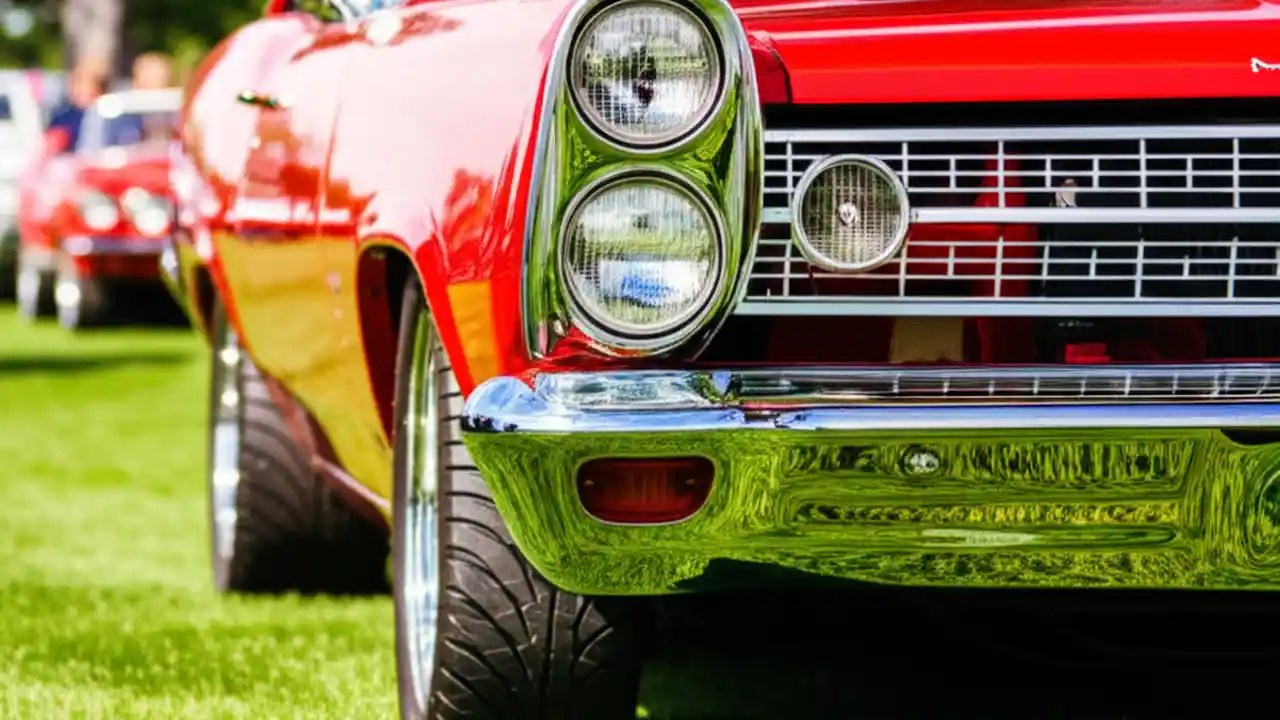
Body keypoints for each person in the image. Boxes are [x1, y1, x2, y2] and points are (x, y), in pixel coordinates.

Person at [45, 59, 109, 153]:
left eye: (83, 83)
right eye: (74, 83)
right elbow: (51, 143)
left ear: (98, 88)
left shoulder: (108, 116)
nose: (77, 89)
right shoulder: (63, 115)